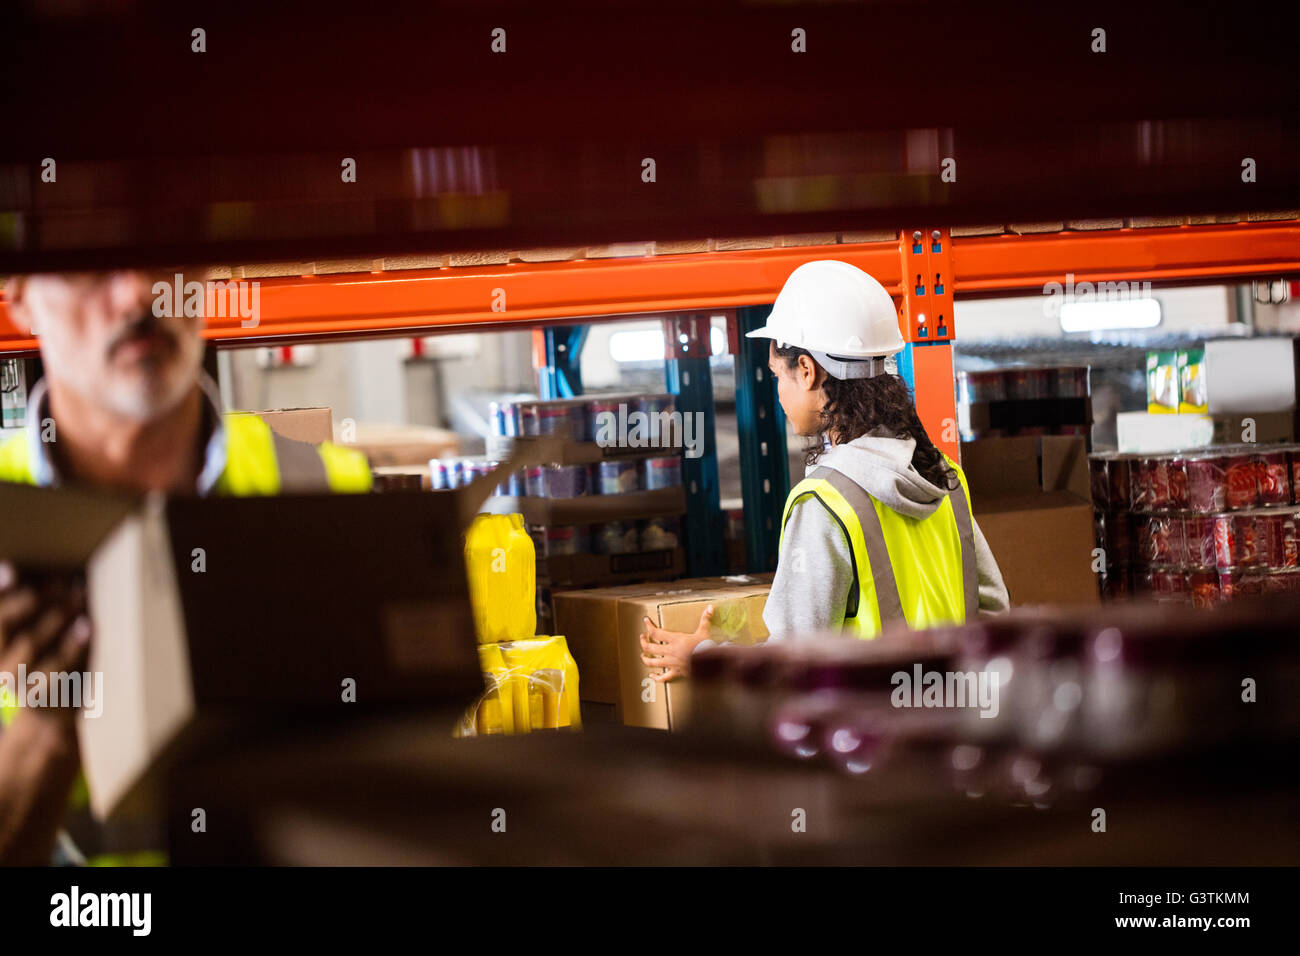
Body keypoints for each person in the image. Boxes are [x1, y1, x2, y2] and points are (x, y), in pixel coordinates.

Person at [0, 269, 372, 864]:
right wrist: (45, 732)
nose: (140, 292)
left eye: (166, 251)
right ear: (16, 294)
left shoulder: (332, 493)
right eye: (86, 264)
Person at [640, 260, 1009, 680]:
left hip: (874, 739)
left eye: (777, 374)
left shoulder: (825, 501)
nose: (777, 392)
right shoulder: (943, 477)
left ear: (807, 370)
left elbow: (791, 670)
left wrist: (704, 659)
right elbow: (994, 616)